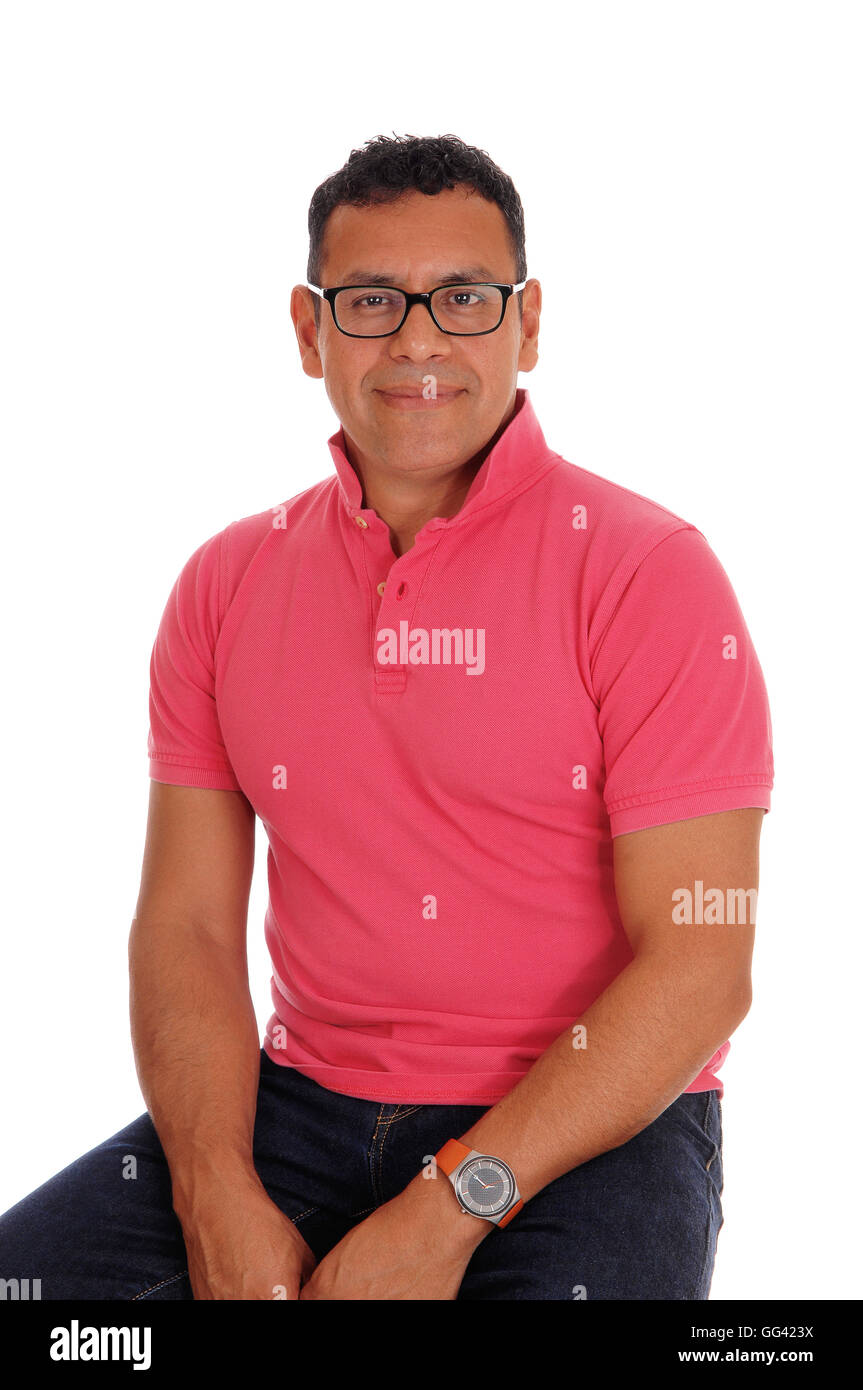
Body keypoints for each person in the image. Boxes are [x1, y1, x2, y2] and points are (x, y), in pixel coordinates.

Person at [0, 133, 773, 1301]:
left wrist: (450, 1205)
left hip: (595, 1126)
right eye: (371, 301)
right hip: (299, 1113)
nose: (417, 340)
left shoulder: (646, 573)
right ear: (310, 330)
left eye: (463, 298)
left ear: (527, 322)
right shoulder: (225, 583)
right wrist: (213, 1188)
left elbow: (701, 964)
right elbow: (189, 930)